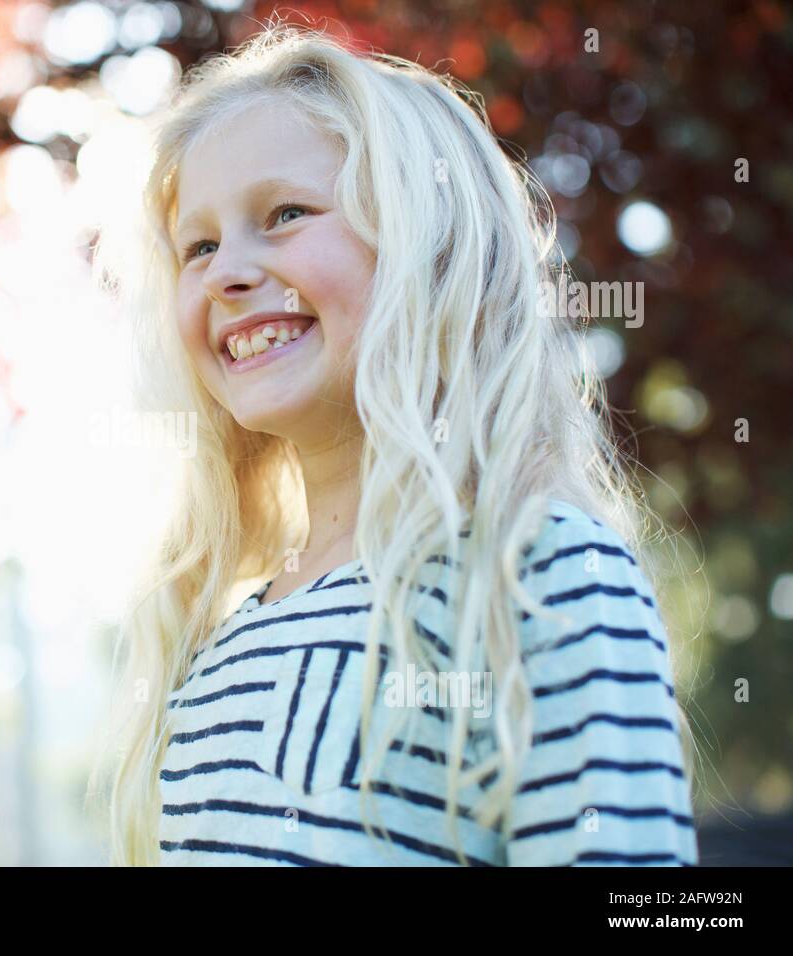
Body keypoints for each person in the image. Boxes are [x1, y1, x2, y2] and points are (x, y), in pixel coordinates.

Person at [86, 22, 699, 867]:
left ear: (432, 248)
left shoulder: (538, 574)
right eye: (200, 245)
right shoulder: (213, 645)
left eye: (285, 214)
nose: (228, 271)